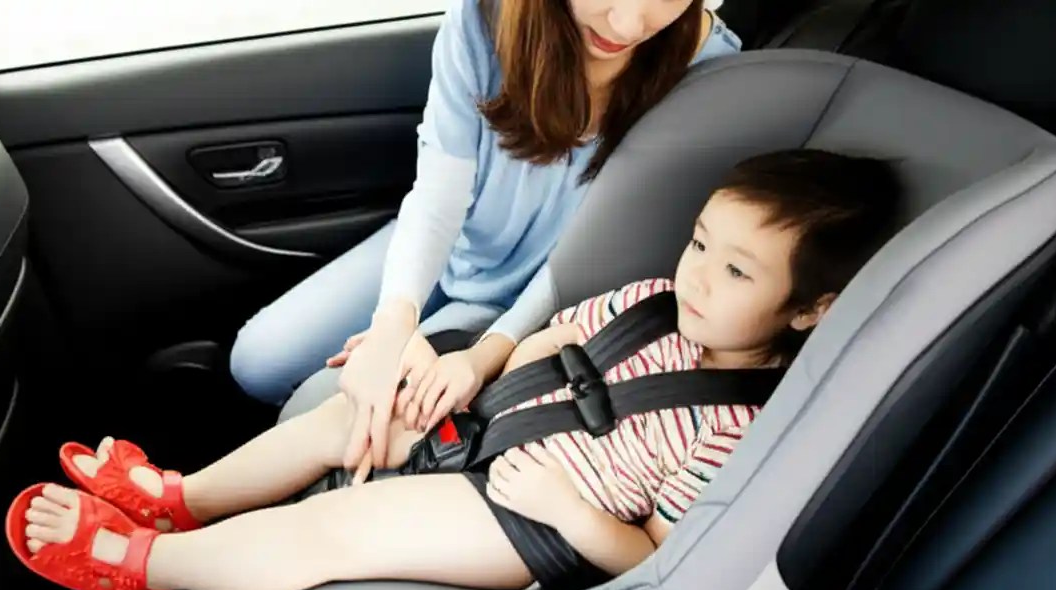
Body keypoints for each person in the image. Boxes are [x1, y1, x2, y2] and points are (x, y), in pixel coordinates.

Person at [6, 150, 902, 590]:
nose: (700, 276)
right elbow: (553, 333)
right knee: (346, 415)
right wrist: (455, 373)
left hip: (530, 517)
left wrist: (568, 511)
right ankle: (183, 496)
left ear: (809, 310)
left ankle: (145, 565)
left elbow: (659, 554)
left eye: (739, 274)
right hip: (493, 425)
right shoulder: (658, 299)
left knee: (337, 528)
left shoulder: (733, 426)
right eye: (701, 242)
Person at [229, 0, 743, 472]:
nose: (630, 25)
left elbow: (593, 255)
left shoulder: (708, 75)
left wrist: (484, 357)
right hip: (455, 244)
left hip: (530, 299)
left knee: (319, 417)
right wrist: (393, 326)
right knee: (258, 362)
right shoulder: (485, 20)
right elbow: (438, 196)